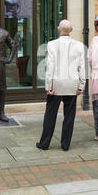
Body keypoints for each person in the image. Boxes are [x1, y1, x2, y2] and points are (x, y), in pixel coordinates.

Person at [36, 20, 86, 151]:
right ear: (71, 30)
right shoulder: (79, 45)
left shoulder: (52, 44)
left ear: (59, 29)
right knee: (69, 117)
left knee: (50, 115)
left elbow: (50, 66)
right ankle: (65, 144)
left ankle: (44, 143)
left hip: (56, 84)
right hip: (72, 84)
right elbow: (82, 67)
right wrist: (81, 85)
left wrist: (48, 86)